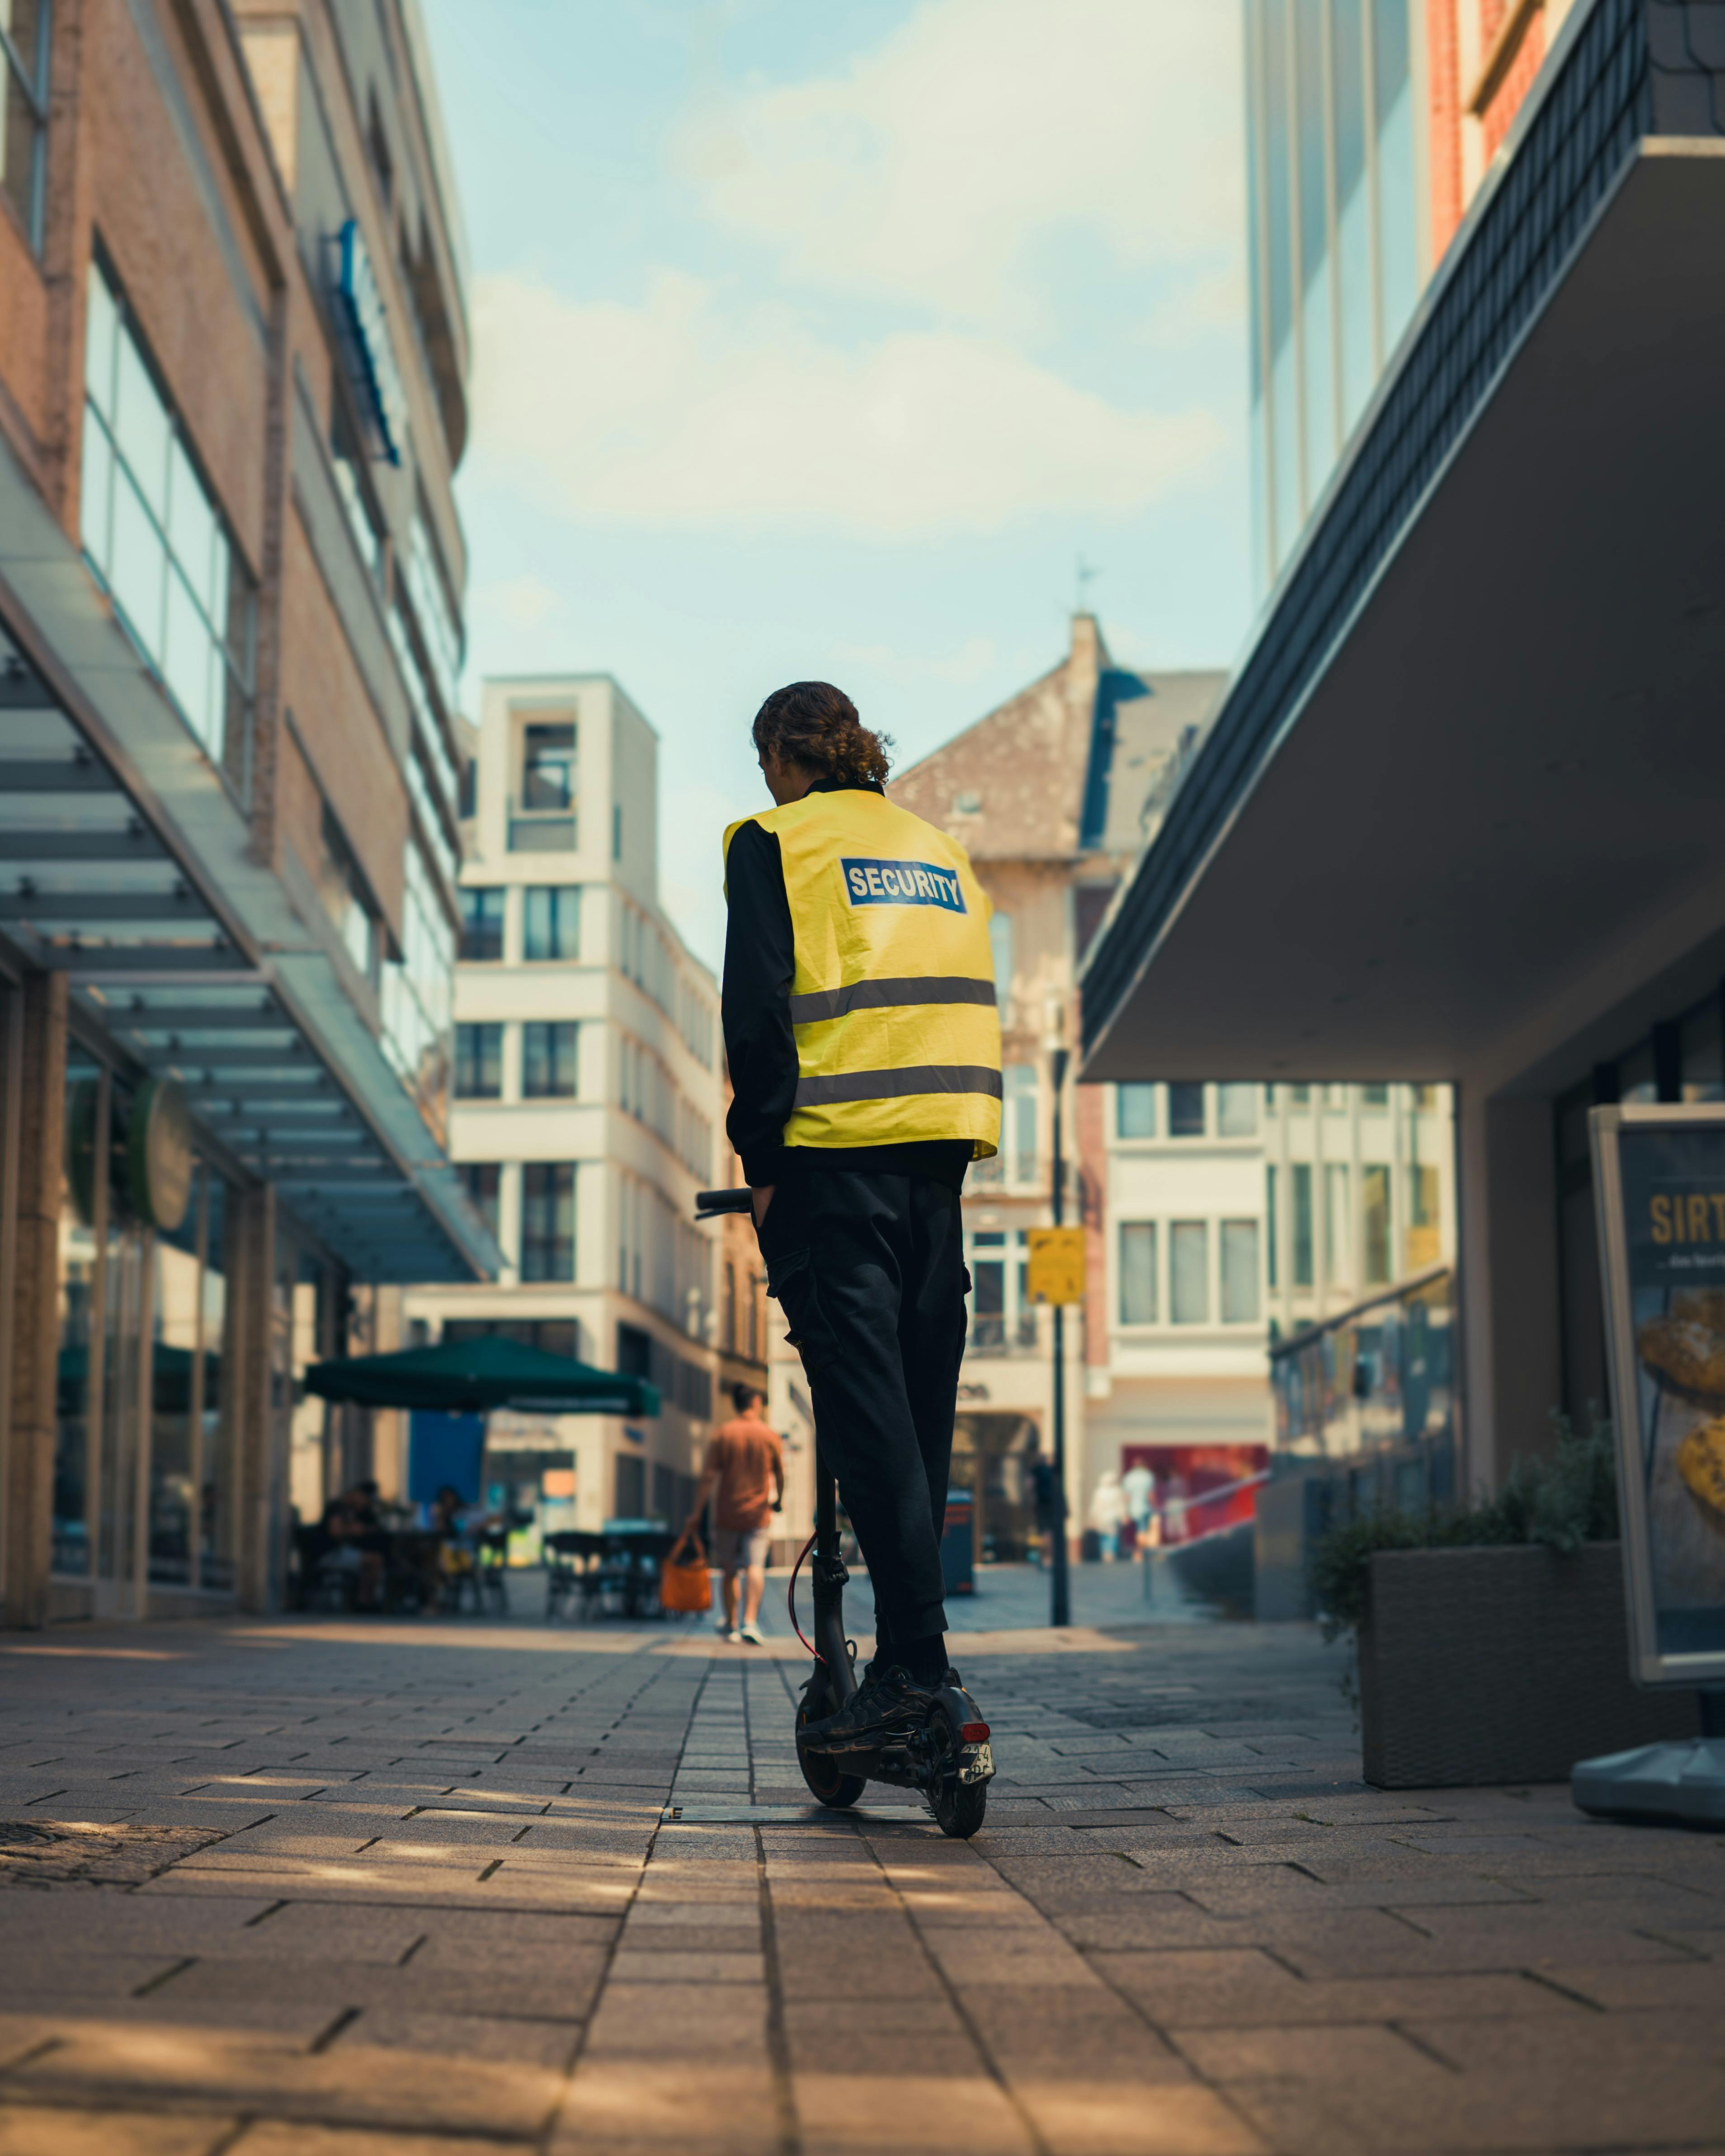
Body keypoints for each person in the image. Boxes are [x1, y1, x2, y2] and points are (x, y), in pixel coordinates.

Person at [723, 680, 1001, 1753]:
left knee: (866, 1416)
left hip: (833, 1165)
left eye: (766, 767)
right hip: (940, 1167)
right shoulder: (940, 853)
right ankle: (905, 1662)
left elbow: (758, 1012)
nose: (767, 786)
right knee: (916, 1424)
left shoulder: (774, 843)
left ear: (781, 757)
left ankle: (915, 1669)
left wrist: (762, 1161)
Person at [688, 1384, 786, 1644]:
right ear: (755, 1403)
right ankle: (750, 1622)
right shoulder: (769, 1435)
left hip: (727, 1513)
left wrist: (697, 1512)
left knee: (729, 1569)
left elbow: (708, 1476)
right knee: (755, 1567)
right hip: (758, 1514)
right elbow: (780, 1473)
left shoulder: (724, 1434)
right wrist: (779, 1500)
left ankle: (731, 1624)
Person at [1089, 1469, 1126, 1562]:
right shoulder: (1117, 1491)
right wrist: (1123, 1515)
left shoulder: (1099, 1492)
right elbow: (1120, 1506)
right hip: (1113, 1517)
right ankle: (1110, 1553)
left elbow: (1095, 1507)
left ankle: (1105, 1553)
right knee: (1112, 1536)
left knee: (1103, 1536)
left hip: (1101, 1517)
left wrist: (1093, 1518)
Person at [1122, 1458, 1155, 1555]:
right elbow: (1150, 1495)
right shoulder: (1148, 1476)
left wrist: (1125, 1512)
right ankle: (1140, 1552)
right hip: (1145, 1508)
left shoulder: (1129, 1477)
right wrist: (1155, 1506)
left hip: (1133, 1509)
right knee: (1142, 1530)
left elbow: (1127, 1497)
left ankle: (1139, 1551)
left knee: (1138, 1530)